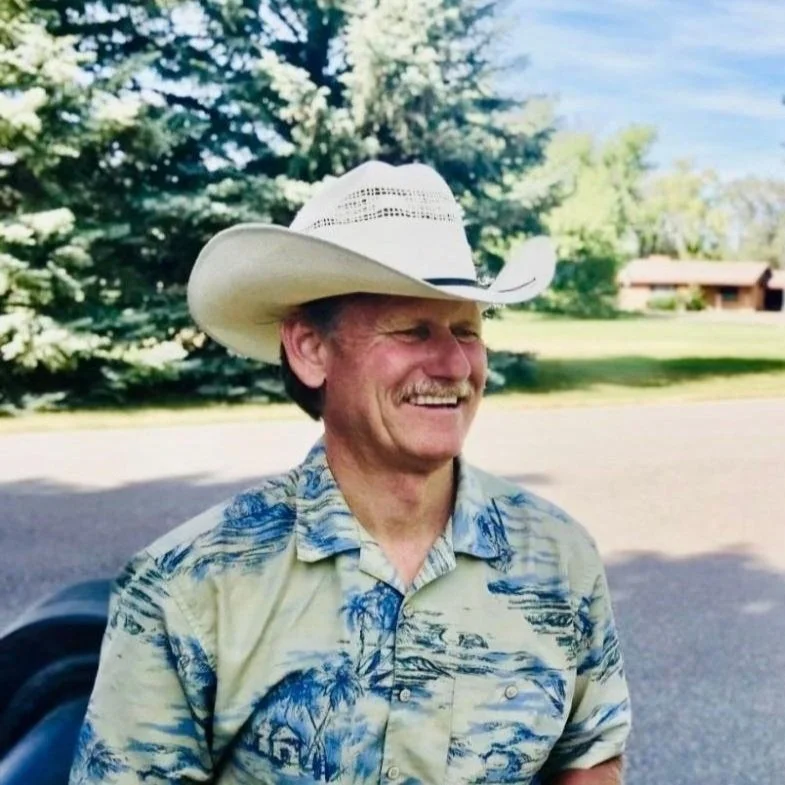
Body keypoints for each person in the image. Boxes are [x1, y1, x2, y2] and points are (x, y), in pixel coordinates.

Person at [69, 161, 631, 785]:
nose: (453, 364)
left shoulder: (559, 556)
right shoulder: (189, 586)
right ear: (311, 349)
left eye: (466, 331)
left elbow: (588, 756)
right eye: (413, 330)